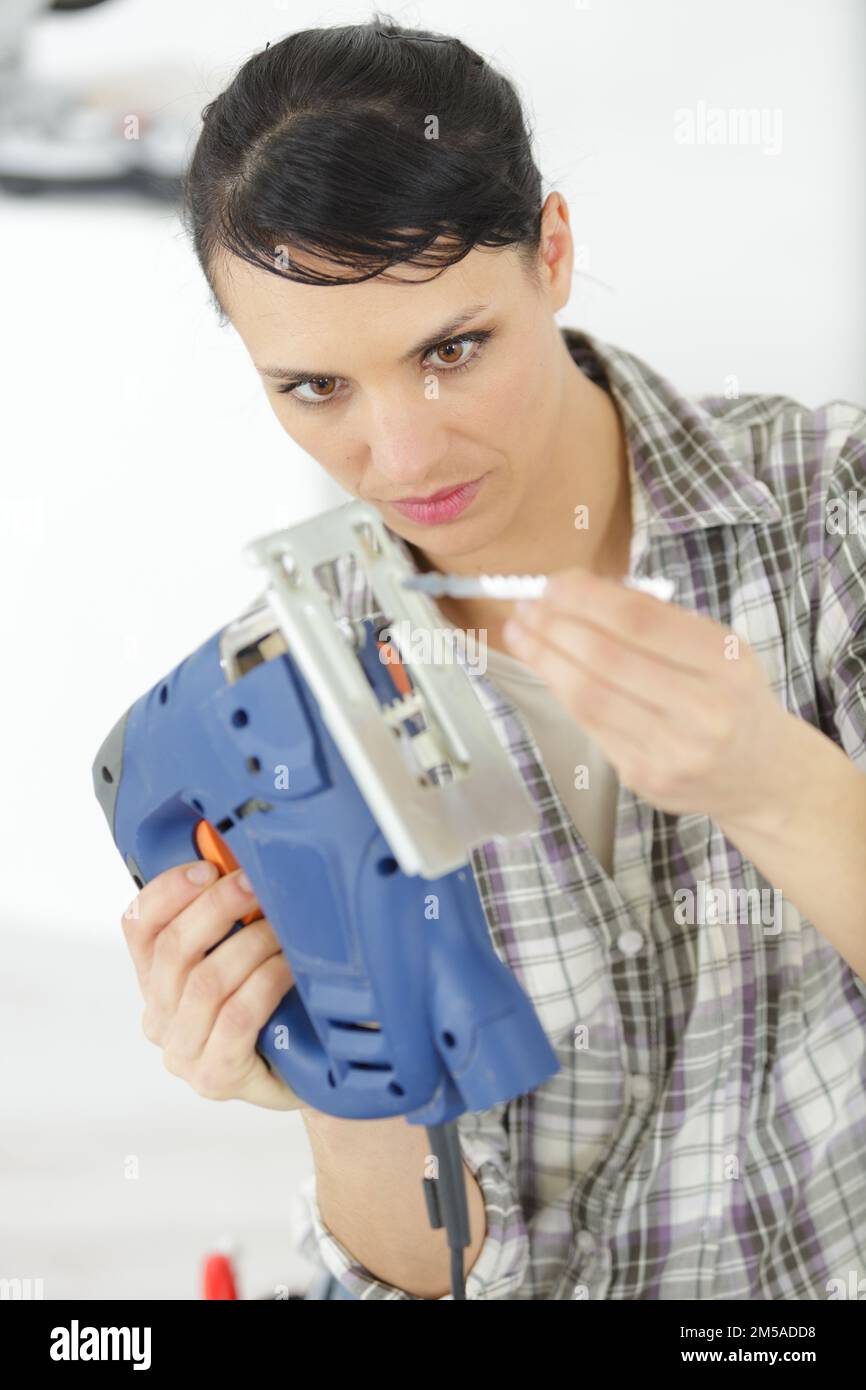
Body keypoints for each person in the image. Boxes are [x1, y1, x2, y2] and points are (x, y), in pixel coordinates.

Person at [121, 14, 866, 1300]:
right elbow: (431, 1275)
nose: (400, 460)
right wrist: (342, 1078)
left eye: (449, 349)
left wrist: (769, 782)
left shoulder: (824, 506)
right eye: (314, 389)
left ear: (553, 252)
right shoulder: (278, 705)